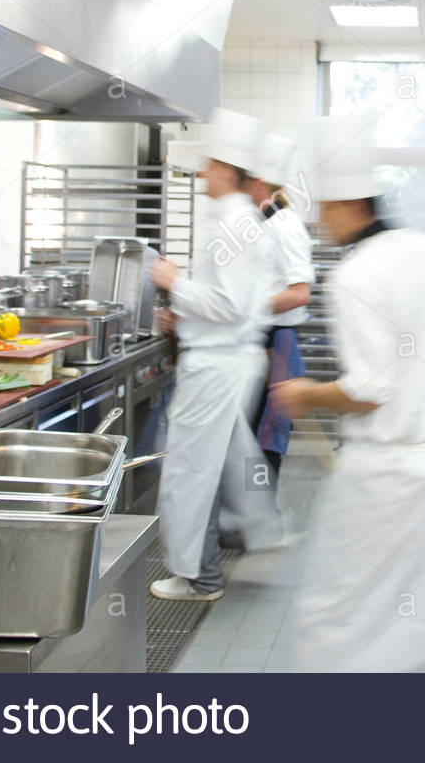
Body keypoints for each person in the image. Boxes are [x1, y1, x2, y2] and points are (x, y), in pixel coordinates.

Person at [272, 116, 425, 672]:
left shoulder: (358, 273)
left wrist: (306, 394)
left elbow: (370, 391)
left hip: (389, 484)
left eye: (321, 208)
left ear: (347, 204)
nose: (318, 222)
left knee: (343, 623)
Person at [148, 108, 280, 602]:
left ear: (226, 169)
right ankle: (233, 550)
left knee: (189, 470)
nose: (201, 171)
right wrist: (185, 305)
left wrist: (174, 282)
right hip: (221, 358)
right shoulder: (234, 221)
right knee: (215, 464)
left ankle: (199, 576)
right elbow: (226, 299)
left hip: (216, 365)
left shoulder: (235, 226)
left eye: (208, 164)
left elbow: (228, 305)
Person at [244, 133, 313, 478]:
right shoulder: (267, 224)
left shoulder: (286, 227)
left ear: (258, 184)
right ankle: (248, 523)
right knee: (252, 437)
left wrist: (244, 307)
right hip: (263, 341)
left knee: (264, 441)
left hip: (277, 345)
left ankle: (258, 525)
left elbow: (300, 293)